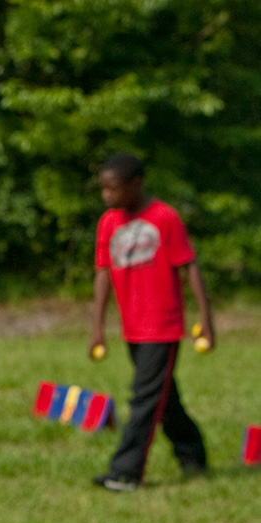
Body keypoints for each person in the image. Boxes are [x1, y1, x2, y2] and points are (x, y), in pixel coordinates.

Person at [89, 151, 213, 492]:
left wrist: (206, 319)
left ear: (136, 184)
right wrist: (98, 326)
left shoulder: (164, 218)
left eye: (114, 189)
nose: (107, 196)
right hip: (132, 326)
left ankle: (126, 472)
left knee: (144, 398)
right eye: (104, 189)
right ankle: (193, 455)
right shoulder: (109, 223)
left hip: (163, 326)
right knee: (164, 399)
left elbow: (189, 267)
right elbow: (103, 272)